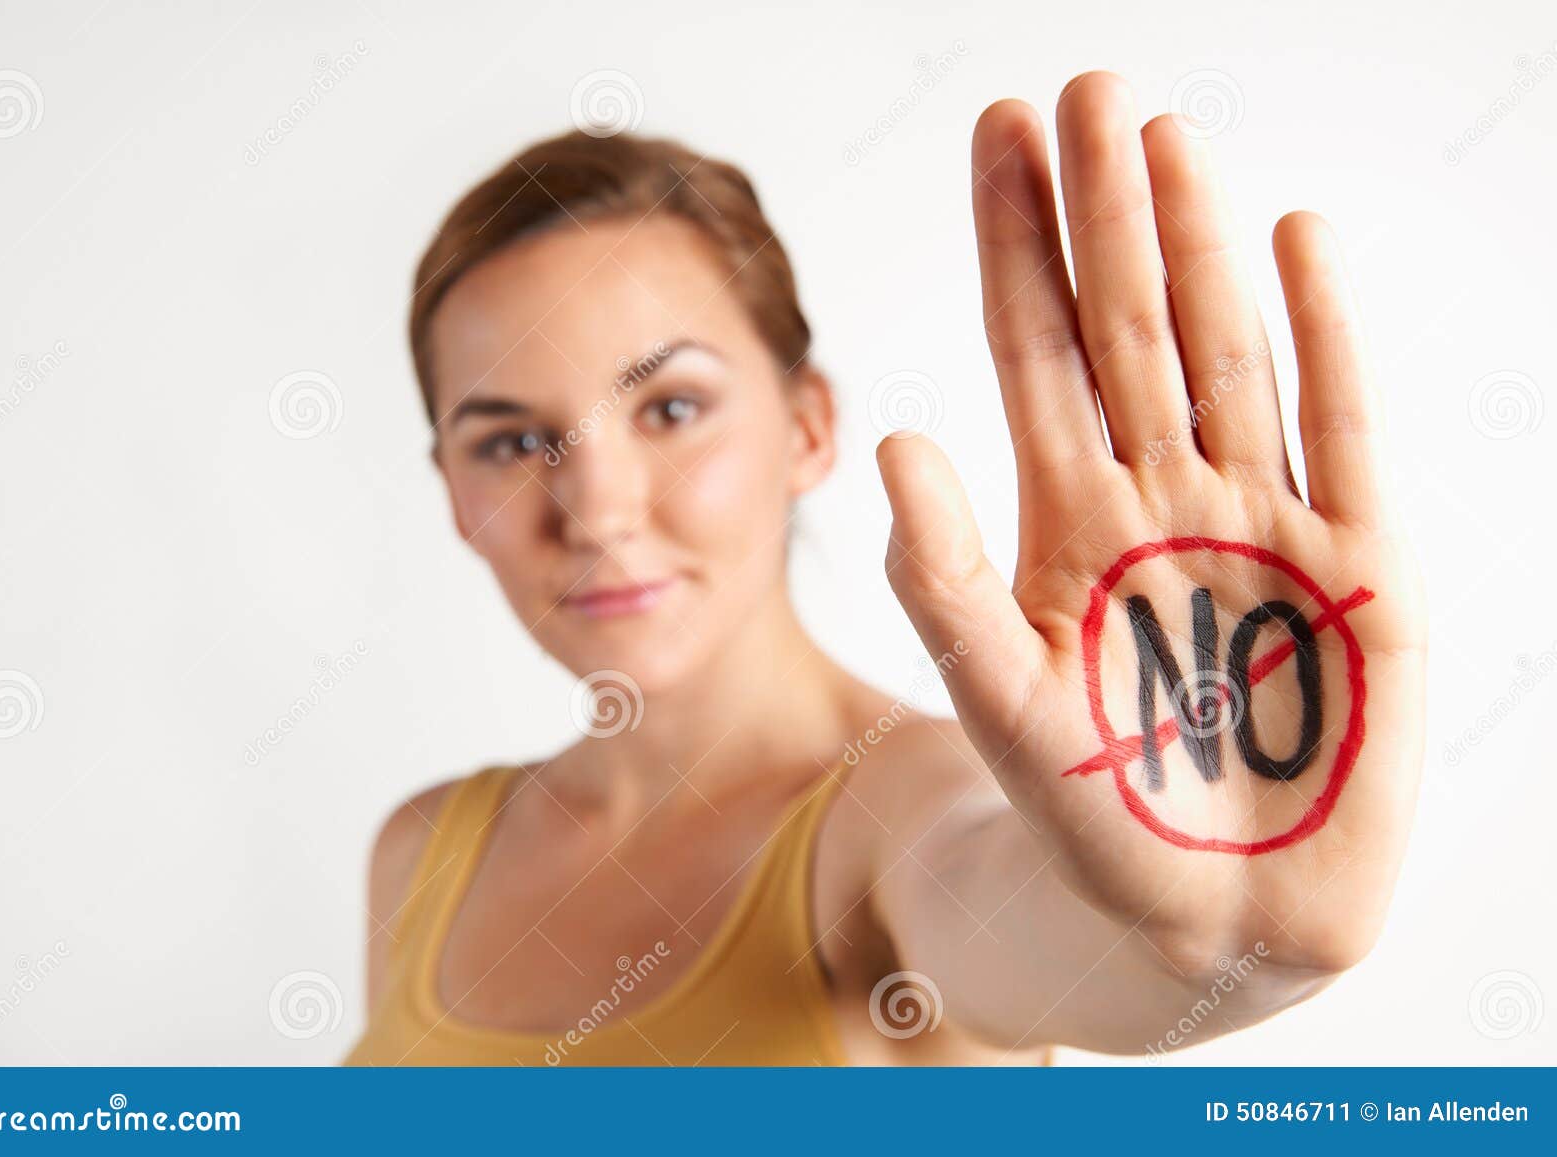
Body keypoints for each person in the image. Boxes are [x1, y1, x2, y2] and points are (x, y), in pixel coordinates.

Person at [345, 70, 1426, 1066]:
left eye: (670, 408)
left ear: (808, 426)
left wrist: (1218, 944)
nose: (597, 509)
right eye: (508, 441)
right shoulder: (422, 851)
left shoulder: (906, 805)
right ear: (449, 487)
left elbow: (1029, 920)